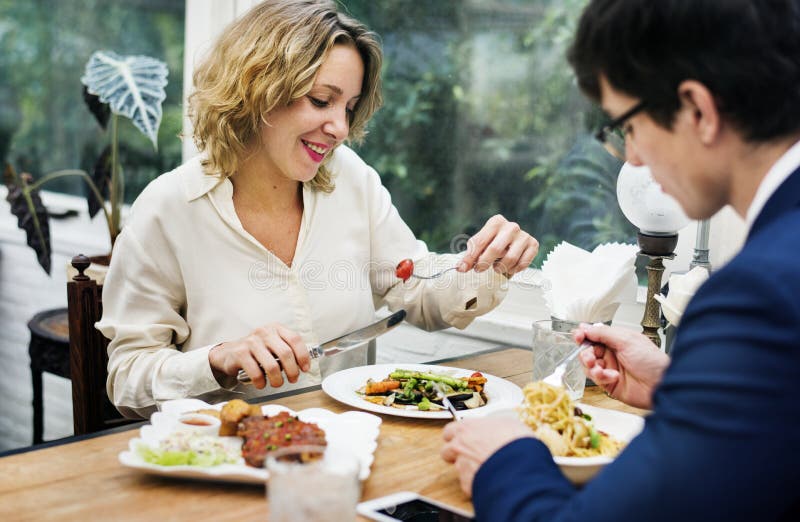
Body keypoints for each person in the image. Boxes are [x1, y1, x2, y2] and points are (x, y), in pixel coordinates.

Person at [441, 0, 800, 520]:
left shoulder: (759, 294)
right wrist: (684, 387)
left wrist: (505, 459)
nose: (631, 157)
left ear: (698, 111)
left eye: (628, 125)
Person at [96, 0, 538, 419]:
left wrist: (488, 266)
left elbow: (416, 288)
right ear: (258, 89)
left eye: (349, 107)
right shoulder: (169, 209)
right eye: (322, 100)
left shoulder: (351, 179)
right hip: (230, 454)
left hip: (355, 442)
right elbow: (127, 379)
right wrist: (217, 360)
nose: (341, 128)